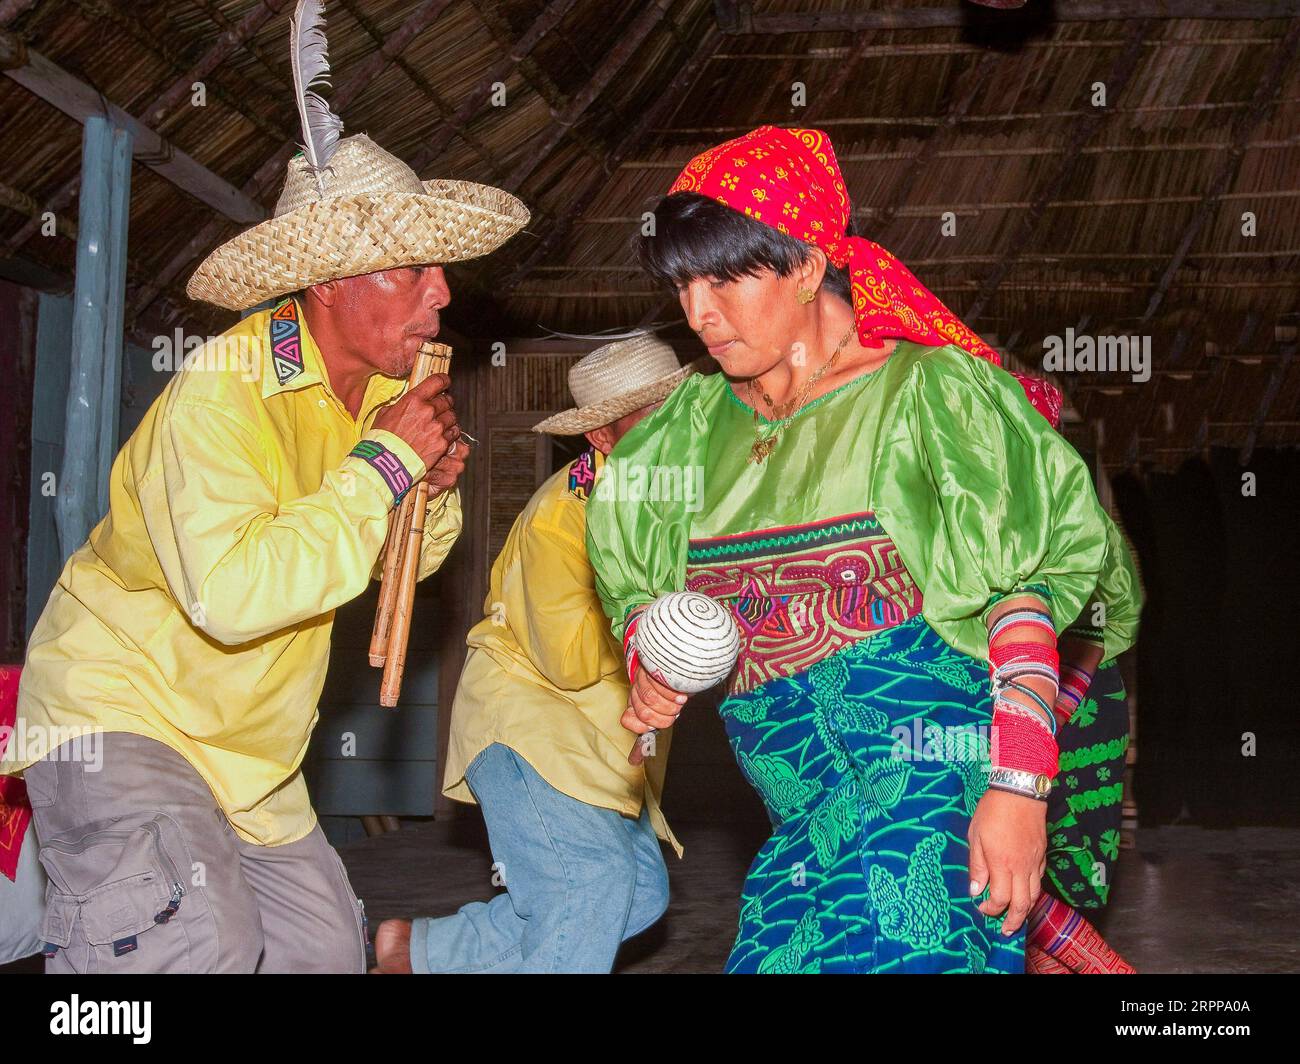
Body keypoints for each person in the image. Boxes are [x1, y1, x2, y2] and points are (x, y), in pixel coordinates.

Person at [0, 27, 528, 971]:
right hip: (123, 714)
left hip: (251, 755)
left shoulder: (374, 398)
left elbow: (392, 557)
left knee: (324, 954)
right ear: (328, 283)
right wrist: (380, 470)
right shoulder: (223, 388)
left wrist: (426, 493)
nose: (442, 293)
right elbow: (234, 596)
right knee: (195, 937)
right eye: (412, 269)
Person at [585, 125, 1142, 974]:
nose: (701, 312)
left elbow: (1020, 590)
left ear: (808, 265)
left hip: (927, 782)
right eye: (685, 282)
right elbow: (636, 585)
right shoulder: (686, 432)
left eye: (729, 277)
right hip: (797, 815)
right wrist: (653, 660)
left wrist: (1019, 788)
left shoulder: (926, 393)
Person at [373, 335, 693, 974]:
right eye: (650, 418)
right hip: (530, 728)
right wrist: (664, 618)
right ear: (602, 438)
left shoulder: (671, 505)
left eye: (681, 409)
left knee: (641, 893)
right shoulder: (565, 514)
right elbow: (569, 661)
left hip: (595, 749)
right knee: (589, 885)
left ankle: (420, 952)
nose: (675, 431)